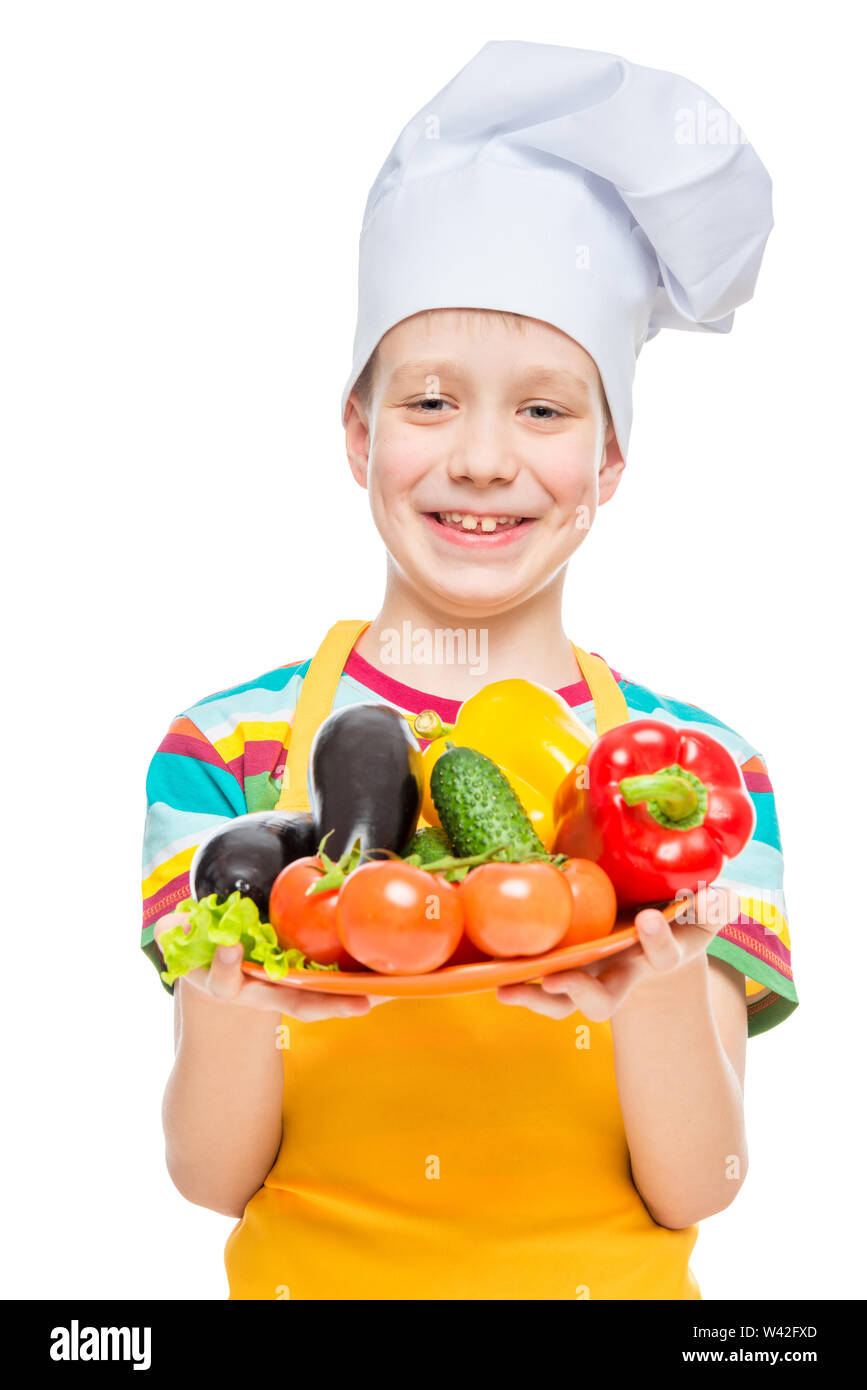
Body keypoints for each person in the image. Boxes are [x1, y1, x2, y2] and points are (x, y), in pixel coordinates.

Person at [141, 40, 797, 1300]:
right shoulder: (223, 748)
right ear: (357, 431)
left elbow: (703, 1180)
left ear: (609, 464)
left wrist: (653, 995)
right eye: (432, 401)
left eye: (546, 411)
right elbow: (210, 1175)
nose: (487, 460)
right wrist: (231, 1001)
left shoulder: (701, 777)